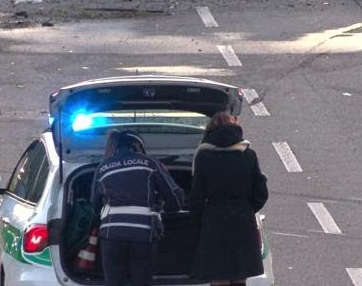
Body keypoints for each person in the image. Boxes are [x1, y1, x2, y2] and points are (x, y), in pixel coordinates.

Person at [91, 130, 185, 286]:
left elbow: (94, 206)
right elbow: (174, 196)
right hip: (142, 235)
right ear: (136, 145)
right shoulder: (149, 163)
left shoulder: (102, 167)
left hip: (111, 236)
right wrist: (170, 209)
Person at [189, 112, 269, 285]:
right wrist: (247, 208)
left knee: (218, 274)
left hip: (215, 221)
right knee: (240, 274)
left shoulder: (203, 156)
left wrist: (198, 216)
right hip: (243, 221)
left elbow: (197, 195)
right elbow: (261, 191)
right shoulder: (248, 154)